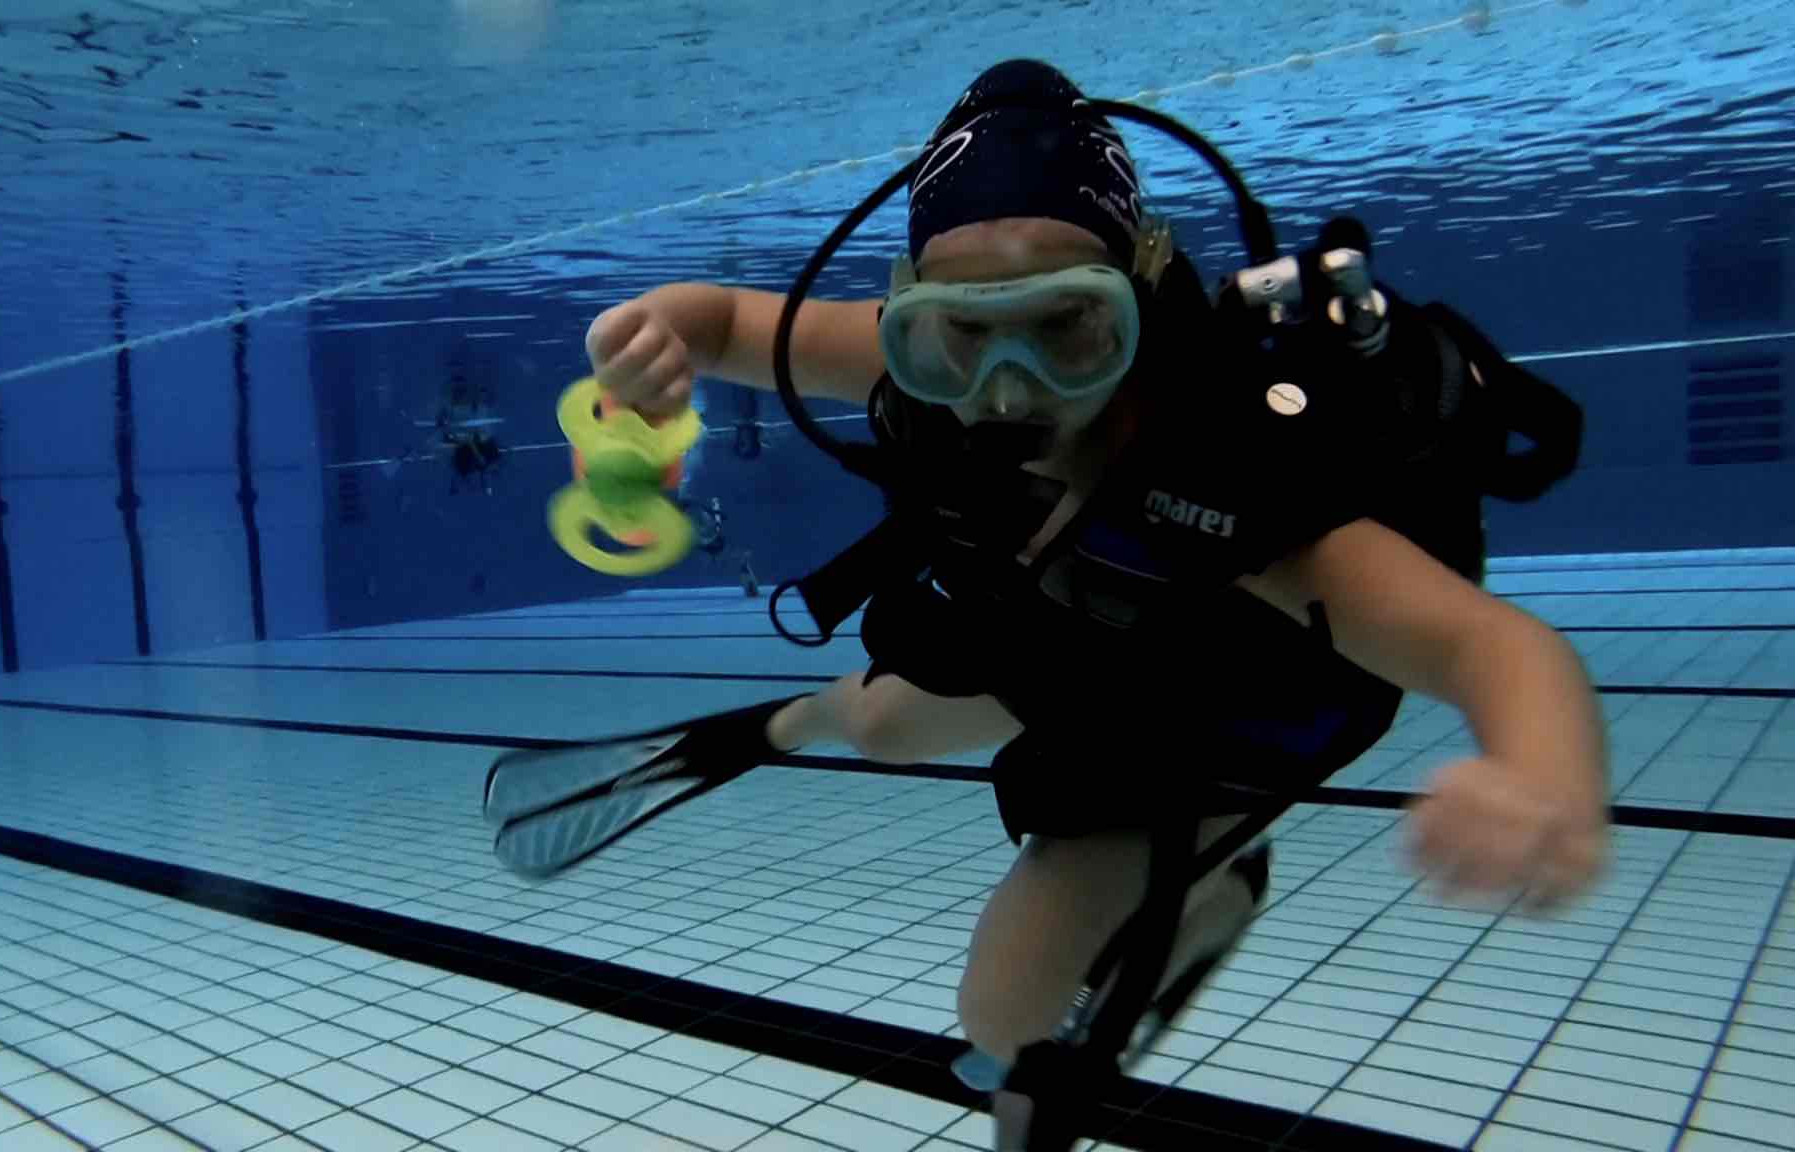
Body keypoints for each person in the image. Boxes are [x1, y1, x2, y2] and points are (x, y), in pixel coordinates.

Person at [573, 58, 1609, 1134]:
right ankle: (784, 725)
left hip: (1227, 704)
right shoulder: (922, 367)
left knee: (999, 1014)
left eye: (1067, 328)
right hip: (1079, 634)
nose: (1007, 383)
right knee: (882, 719)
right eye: (962, 335)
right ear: (909, 316)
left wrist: (1543, 776)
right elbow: (732, 325)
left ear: (1141, 294)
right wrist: (648, 329)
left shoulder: (1221, 466)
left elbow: (1491, 650)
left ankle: (1220, 885)